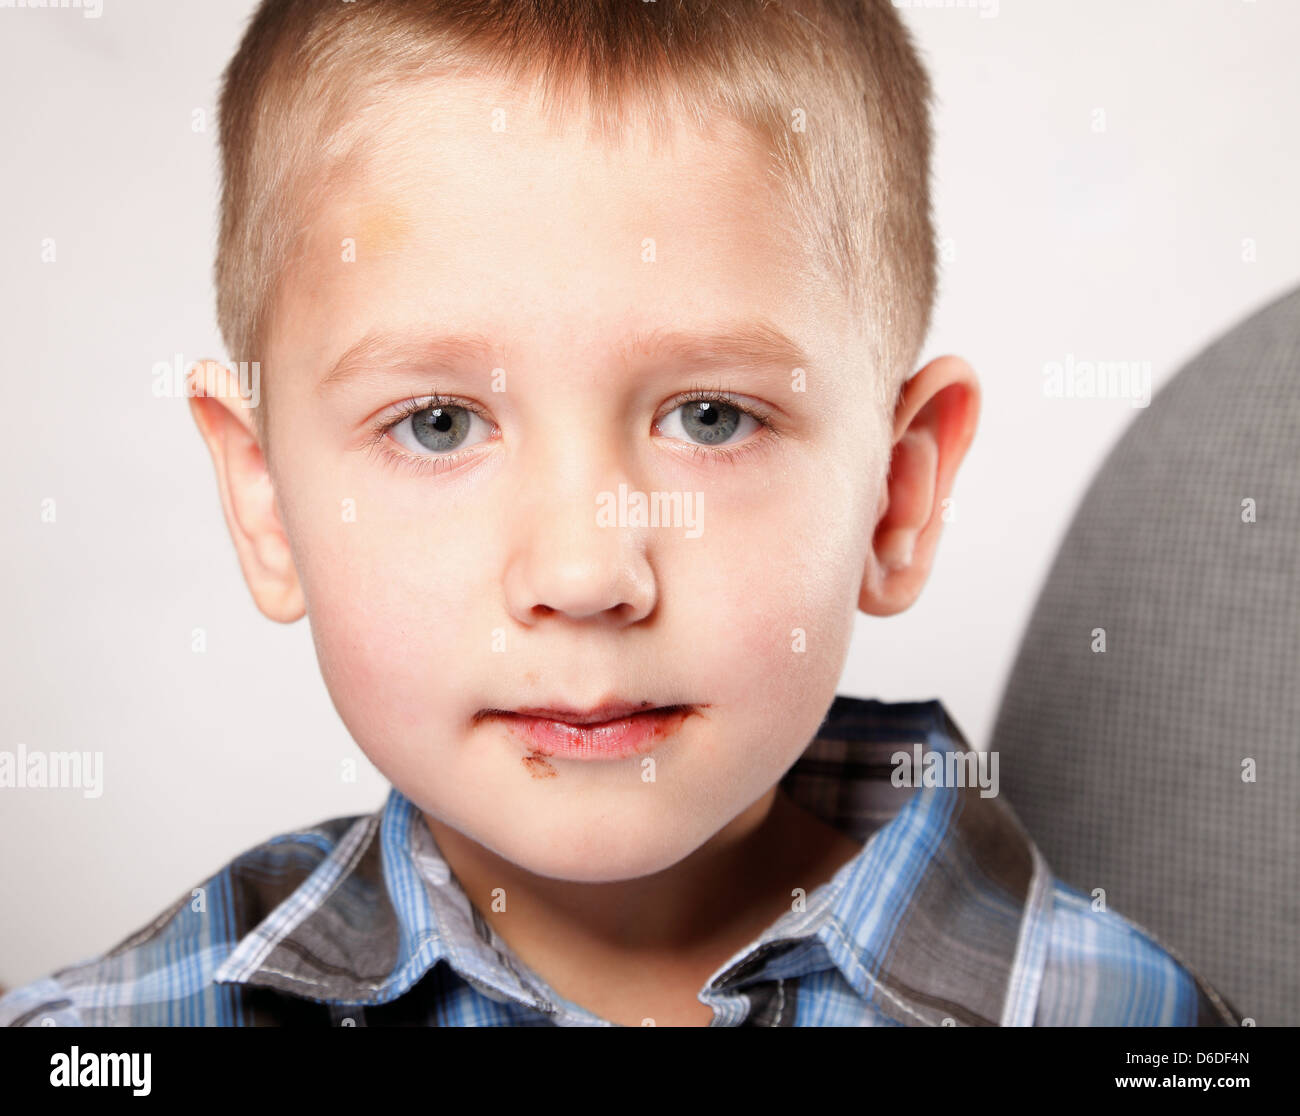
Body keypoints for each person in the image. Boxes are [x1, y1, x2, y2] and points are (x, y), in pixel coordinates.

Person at [0, 0, 1239, 1027]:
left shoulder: (1134, 1026)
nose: (587, 572)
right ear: (265, 500)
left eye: (710, 418)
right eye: (439, 423)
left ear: (896, 492)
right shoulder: (112, 1036)